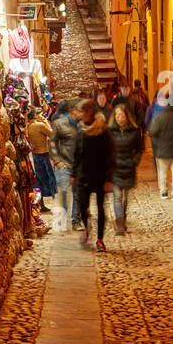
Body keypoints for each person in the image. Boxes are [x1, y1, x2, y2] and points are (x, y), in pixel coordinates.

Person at [71, 100, 115, 251]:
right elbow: (77, 153)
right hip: (84, 175)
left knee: (101, 208)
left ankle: (100, 240)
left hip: (100, 175)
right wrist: (73, 174)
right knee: (83, 206)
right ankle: (87, 227)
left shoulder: (103, 130)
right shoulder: (81, 130)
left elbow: (110, 155)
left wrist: (109, 178)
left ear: (90, 112)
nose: (80, 114)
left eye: (83, 111)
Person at [108, 104, 144, 234]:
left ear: (127, 116)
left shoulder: (134, 131)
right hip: (116, 168)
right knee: (117, 196)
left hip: (129, 167)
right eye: (117, 115)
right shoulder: (110, 131)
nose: (119, 118)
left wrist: (135, 161)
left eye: (121, 115)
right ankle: (120, 224)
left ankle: (123, 219)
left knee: (125, 198)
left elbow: (140, 149)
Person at [51, 99, 83, 229]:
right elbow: (52, 142)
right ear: (72, 111)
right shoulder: (59, 124)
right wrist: (57, 161)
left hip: (78, 165)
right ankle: (63, 219)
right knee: (63, 192)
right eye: (80, 110)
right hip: (64, 163)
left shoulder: (83, 125)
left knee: (77, 194)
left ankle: (76, 220)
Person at [27, 108, 56, 211]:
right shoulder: (40, 125)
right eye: (40, 114)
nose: (42, 116)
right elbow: (52, 134)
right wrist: (45, 122)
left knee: (38, 180)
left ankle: (39, 204)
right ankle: (40, 204)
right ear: (35, 116)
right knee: (44, 179)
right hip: (42, 154)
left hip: (34, 155)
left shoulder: (29, 126)